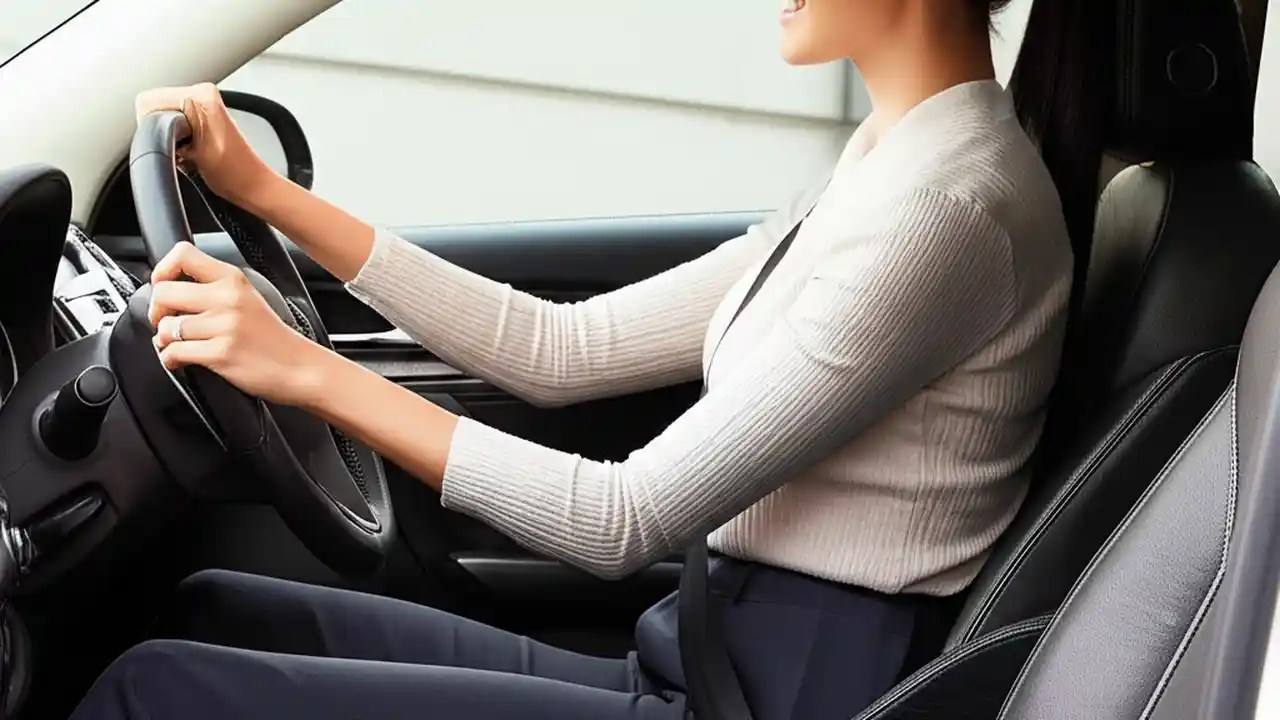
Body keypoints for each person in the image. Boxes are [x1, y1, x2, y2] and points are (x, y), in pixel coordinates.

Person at [72, 0, 1077, 718]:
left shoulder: (948, 210)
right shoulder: (891, 161)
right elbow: (562, 349)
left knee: (154, 690)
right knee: (207, 610)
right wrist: (268, 195)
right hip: (709, 647)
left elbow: (618, 519)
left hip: (770, 693)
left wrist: (305, 371)